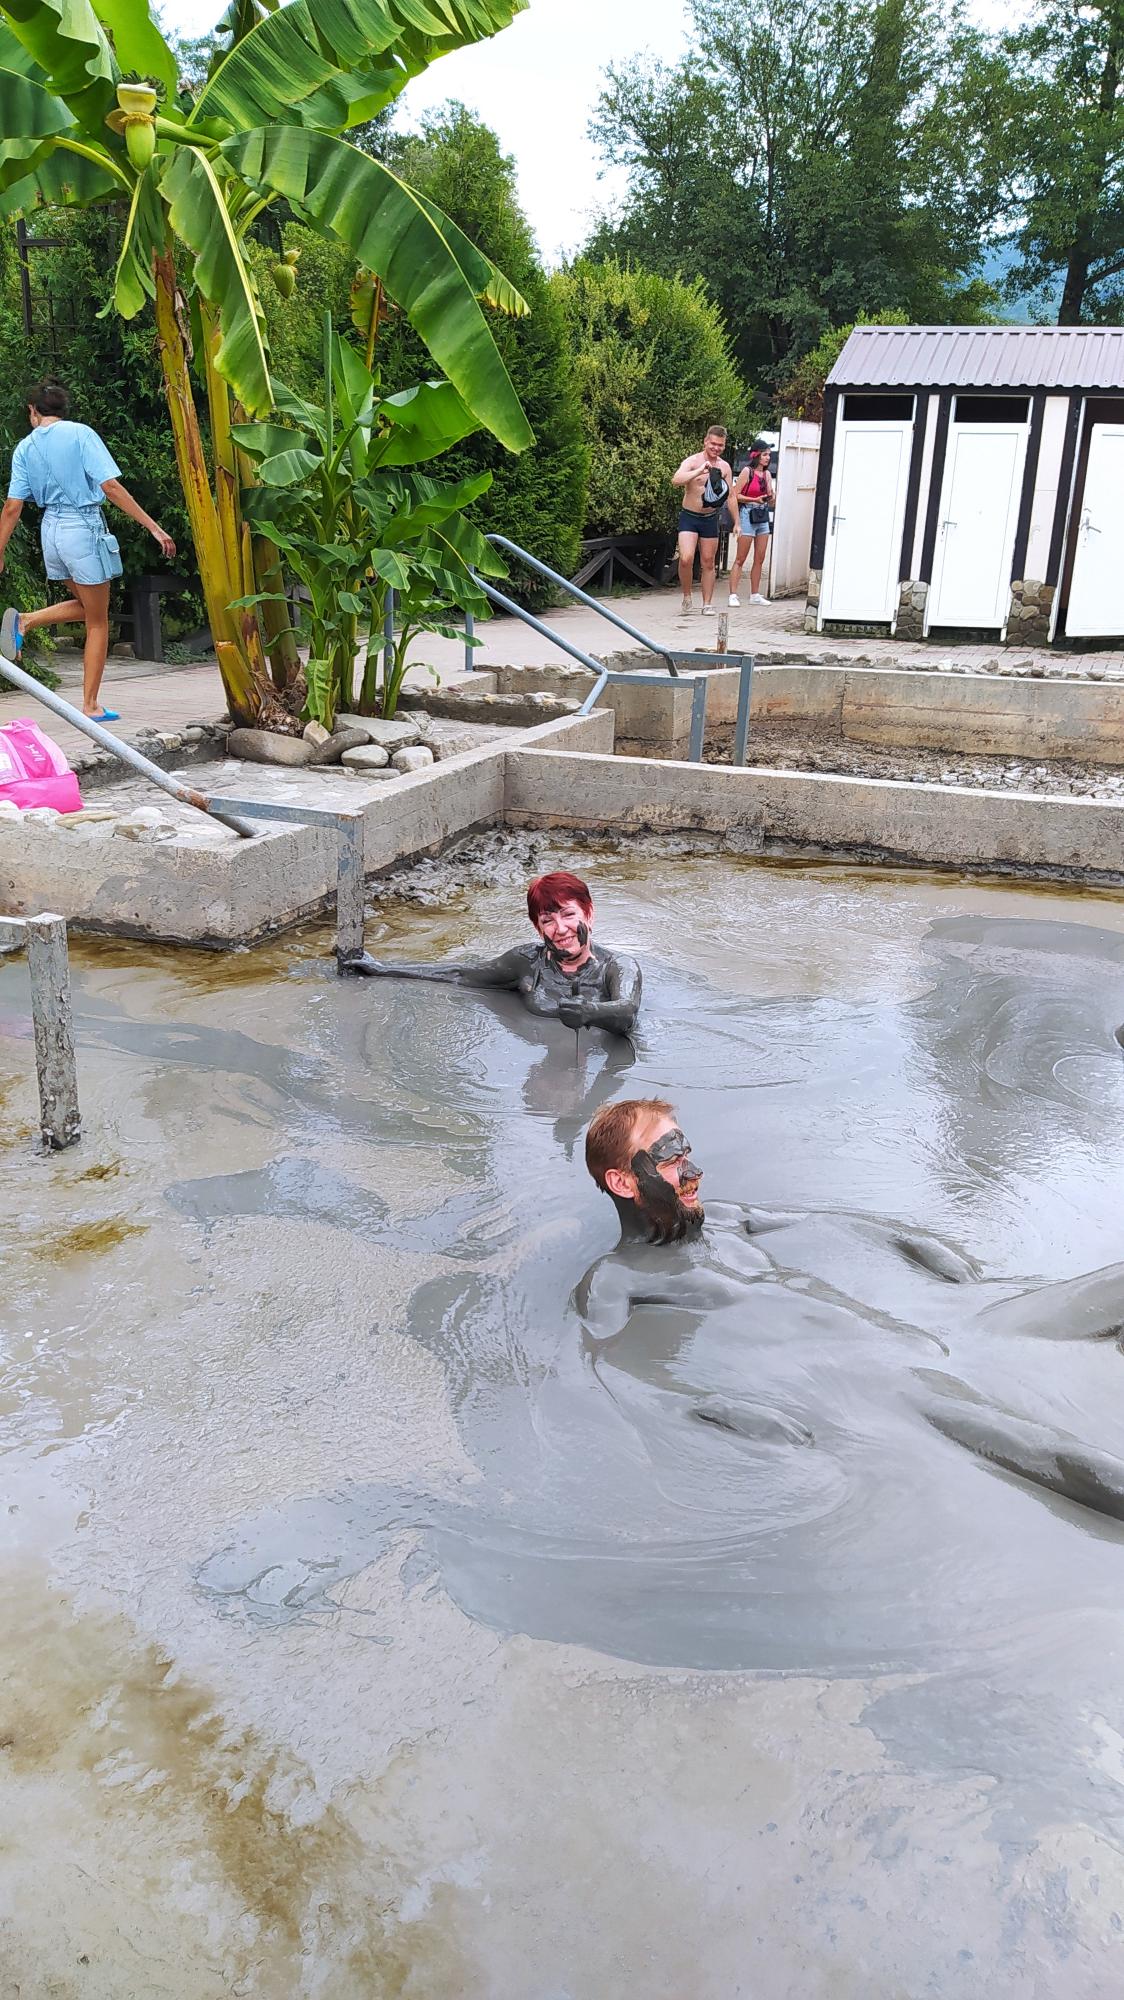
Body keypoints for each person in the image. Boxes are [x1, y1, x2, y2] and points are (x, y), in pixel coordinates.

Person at [0, 379, 176, 721]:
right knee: (98, 620)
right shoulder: (81, 434)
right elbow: (109, 486)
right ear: (62, 411)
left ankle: (27, 620)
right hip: (82, 528)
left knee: (86, 606)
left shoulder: (24, 448)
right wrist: (153, 527)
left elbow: (11, 507)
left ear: (33, 411)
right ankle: (91, 706)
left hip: (50, 531)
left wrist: (0, 549)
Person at [341, 868, 642, 1036]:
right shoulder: (527, 962)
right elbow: (461, 974)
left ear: (589, 914)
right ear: (538, 928)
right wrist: (382, 969)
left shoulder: (617, 967)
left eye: (568, 915)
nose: (559, 929)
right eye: (547, 921)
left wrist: (590, 1012)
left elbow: (627, 1013)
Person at [584, 1097, 704, 1242]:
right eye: (672, 1161)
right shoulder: (616, 1265)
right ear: (621, 1183)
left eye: (686, 1155)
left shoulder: (730, 1217)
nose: (696, 1173)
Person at [671, 425, 739, 616]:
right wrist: (698, 471)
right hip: (689, 516)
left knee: (708, 562)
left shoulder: (724, 467)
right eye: (713, 444)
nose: (716, 448)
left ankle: (707, 603)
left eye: (721, 445)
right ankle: (686, 596)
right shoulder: (693, 461)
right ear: (705, 442)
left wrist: (737, 522)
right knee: (686, 558)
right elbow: (676, 479)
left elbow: (731, 496)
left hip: (710, 517)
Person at [729, 442, 775, 607]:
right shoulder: (747, 472)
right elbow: (735, 495)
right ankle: (733, 594)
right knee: (741, 557)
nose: (767, 458)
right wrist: (753, 499)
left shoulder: (767, 474)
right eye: (764, 454)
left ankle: (755, 594)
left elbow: (771, 499)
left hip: (762, 514)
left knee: (760, 557)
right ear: (756, 455)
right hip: (748, 513)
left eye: (769, 455)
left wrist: (771, 495)